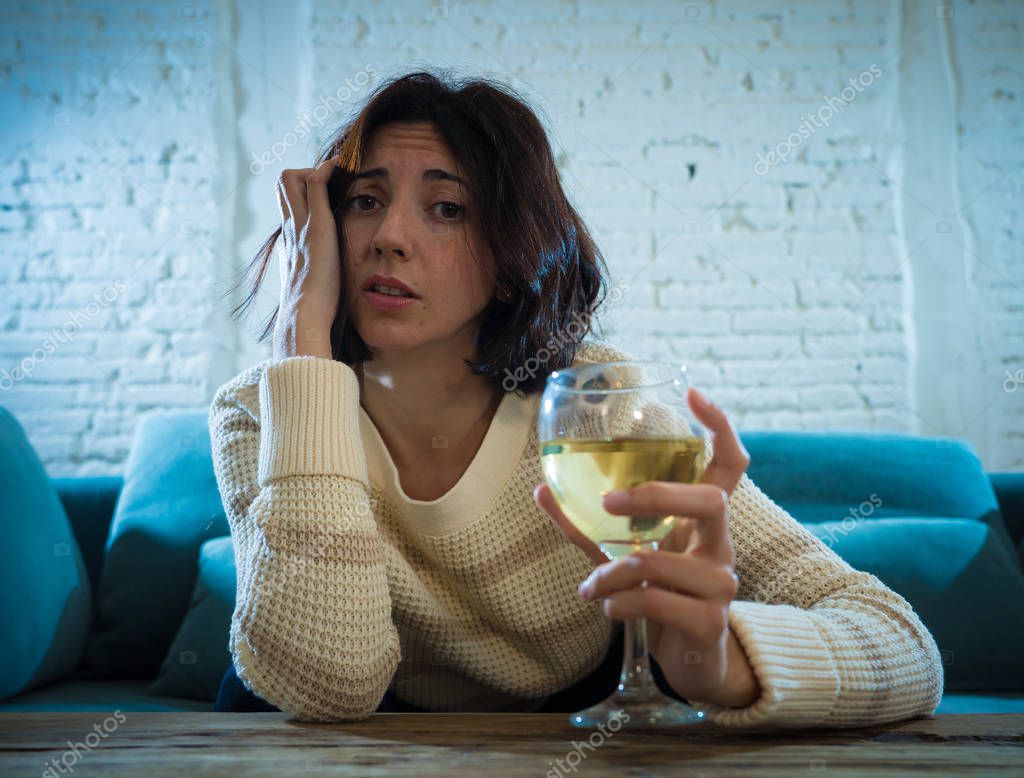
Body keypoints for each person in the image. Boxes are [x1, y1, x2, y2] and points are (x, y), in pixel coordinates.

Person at [209, 69, 943, 725]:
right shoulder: (259, 413)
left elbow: (902, 646)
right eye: (365, 201)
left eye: (447, 209)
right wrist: (304, 334)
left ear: (507, 258)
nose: (390, 237)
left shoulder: (599, 413)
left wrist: (721, 666)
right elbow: (328, 688)